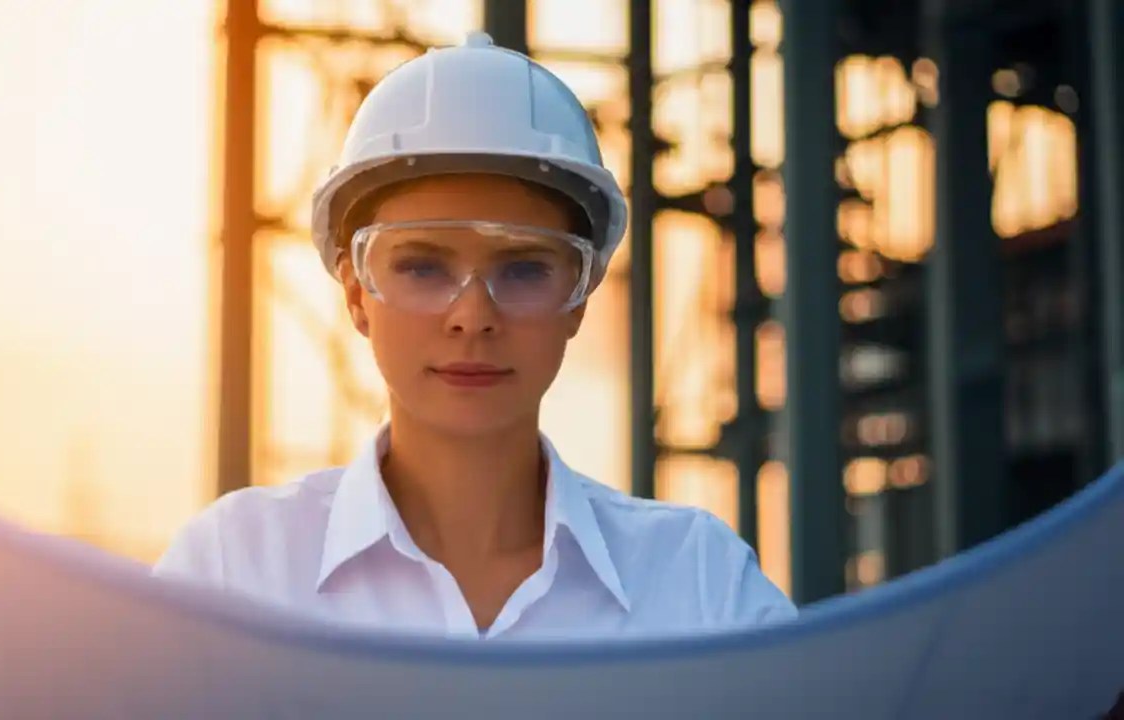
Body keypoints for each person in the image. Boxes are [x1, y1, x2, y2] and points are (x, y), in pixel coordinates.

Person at [151, 31, 796, 639]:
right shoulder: (234, 574)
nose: (472, 316)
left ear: (579, 298)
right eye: (423, 267)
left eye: (523, 268)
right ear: (355, 293)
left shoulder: (700, 588)